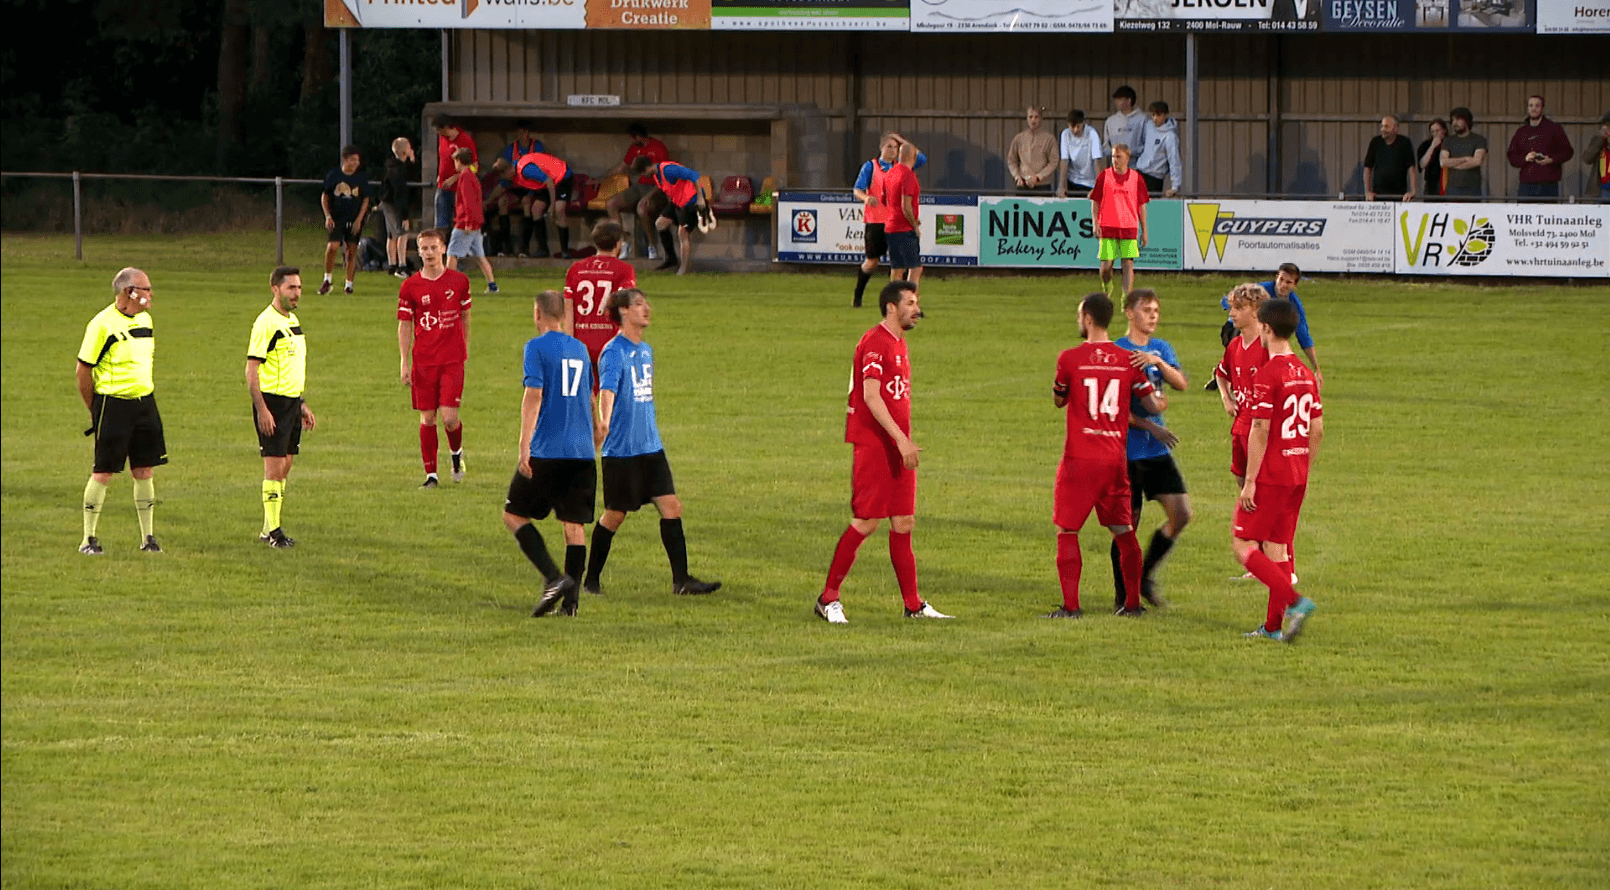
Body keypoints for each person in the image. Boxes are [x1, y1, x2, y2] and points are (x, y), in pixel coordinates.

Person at [815, 280, 949, 624]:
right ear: (891, 307)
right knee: (866, 521)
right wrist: (901, 440)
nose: (917, 310)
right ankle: (828, 599)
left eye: (916, 303)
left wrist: (903, 440)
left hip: (897, 444)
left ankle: (913, 605)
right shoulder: (875, 341)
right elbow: (871, 395)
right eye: (910, 303)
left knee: (903, 521)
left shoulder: (899, 342)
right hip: (875, 444)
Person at [582, 288, 720, 597]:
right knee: (615, 516)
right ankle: (591, 580)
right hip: (623, 450)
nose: (646, 308)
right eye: (638, 304)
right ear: (623, 312)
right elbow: (607, 391)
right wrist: (604, 422)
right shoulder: (613, 352)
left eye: (646, 303)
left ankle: (681, 580)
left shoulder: (646, 351)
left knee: (672, 507)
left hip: (651, 447)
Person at [1046, 292, 1163, 619]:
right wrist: (1151, 372)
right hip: (1115, 459)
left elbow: (1059, 400)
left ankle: (1071, 607)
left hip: (1080, 459)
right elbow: (1152, 405)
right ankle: (1133, 604)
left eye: (1078, 315)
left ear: (1087, 319)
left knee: (1067, 531)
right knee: (1124, 530)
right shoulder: (1128, 360)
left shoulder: (1069, 358)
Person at [1234, 298, 1323, 643]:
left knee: (1243, 545)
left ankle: (1296, 603)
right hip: (1296, 473)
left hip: (1271, 475)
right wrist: (1303, 466)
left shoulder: (1269, 374)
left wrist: (1250, 481)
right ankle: (1272, 628)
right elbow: (1317, 429)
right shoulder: (1305, 373)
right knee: (1278, 549)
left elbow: (1260, 428)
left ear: (1267, 329)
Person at [507, 289, 596, 618]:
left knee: (514, 515)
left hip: (549, 449)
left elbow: (534, 395)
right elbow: (588, 395)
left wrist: (524, 446)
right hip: (582, 451)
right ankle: (571, 605)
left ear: (537, 313)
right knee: (574, 526)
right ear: (563, 314)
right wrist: (596, 430)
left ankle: (553, 578)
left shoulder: (536, 347)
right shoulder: (581, 349)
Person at [1110, 289, 1191, 610]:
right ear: (1130, 313)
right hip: (1126, 453)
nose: (1153, 315)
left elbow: (1181, 383)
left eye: (1156, 310)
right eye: (1146, 310)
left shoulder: (1161, 348)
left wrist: (1158, 362)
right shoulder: (1118, 351)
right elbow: (1112, 408)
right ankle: (1123, 598)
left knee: (1181, 515)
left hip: (1156, 452)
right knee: (1126, 527)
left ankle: (1143, 577)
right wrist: (1150, 425)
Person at [76, 267, 166, 555]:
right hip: (113, 405)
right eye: (146, 289)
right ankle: (88, 538)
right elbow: (83, 370)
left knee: (145, 470)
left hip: (145, 403)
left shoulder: (146, 320)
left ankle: (148, 538)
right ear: (130, 292)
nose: (151, 294)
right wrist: (95, 408)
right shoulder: (101, 325)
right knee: (104, 471)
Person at [247, 266, 317, 549]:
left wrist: (301, 404)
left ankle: (268, 527)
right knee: (274, 468)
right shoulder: (266, 324)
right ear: (275, 289)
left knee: (286, 465)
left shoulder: (292, 321)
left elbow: (291, 368)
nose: (296, 293)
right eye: (291, 288)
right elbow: (252, 370)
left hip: (291, 403)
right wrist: (262, 409)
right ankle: (275, 533)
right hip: (273, 403)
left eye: (299, 288)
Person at [397, 229, 472, 489]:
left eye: (433, 247)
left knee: (449, 418)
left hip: (452, 360)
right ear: (418, 251)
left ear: (443, 249)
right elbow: (405, 324)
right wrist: (404, 361)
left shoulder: (459, 281)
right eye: (424, 248)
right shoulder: (410, 286)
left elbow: (465, 315)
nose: (429, 253)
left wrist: (464, 346)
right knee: (428, 418)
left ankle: (456, 455)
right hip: (424, 361)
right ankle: (431, 475)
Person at [852, 132, 926, 307]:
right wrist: (866, 198)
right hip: (876, 220)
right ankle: (859, 294)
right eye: (889, 146)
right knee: (873, 261)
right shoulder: (871, 167)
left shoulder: (898, 168)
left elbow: (920, 157)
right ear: (881, 148)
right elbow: (857, 189)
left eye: (896, 148)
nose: (893, 150)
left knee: (900, 265)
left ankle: (900, 300)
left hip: (894, 222)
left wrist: (901, 140)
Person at [564, 220, 638, 385]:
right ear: (618, 244)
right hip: (610, 343)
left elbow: (568, 311)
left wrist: (569, 345)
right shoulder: (625, 270)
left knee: (585, 395)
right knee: (612, 395)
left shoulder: (576, 269)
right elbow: (625, 308)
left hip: (581, 345)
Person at [1213, 283, 1270, 492]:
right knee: (1240, 477)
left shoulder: (1268, 348)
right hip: (1240, 425)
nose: (1232, 313)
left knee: (1261, 483)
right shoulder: (1235, 345)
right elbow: (1221, 373)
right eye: (1231, 307)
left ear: (1256, 311)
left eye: (1238, 308)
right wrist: (1227, 399)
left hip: (1262, 428)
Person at [629, 156, 712, 275]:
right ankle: (671, 259)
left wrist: (700, 198)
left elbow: (694, 175)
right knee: (660, 224)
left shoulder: (668, 170)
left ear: (647, 169)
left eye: (642, 173)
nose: (643, 176)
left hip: (691, 201)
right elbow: (669, 188)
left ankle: (683, 269)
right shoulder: (656, 175)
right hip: (677, 202)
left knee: (682, 233)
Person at [1088, 142, 1149, 298]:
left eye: (1119, 157)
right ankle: (1107, 285)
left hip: (1129, 226)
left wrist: (1144, 231)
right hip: (1107, 226)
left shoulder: (1136, 178)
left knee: (1128, 264)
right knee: (1106, 266)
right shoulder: (1104, 176)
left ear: (1127, 158)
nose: (1115, 160)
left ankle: (1126, 298)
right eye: (1113, 156)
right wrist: (1095, 223)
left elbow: (1141, 206)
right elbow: (1095, 201)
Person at [490, 149, 574, 259]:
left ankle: (565, 251)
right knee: (536, 209)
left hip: (561, 176)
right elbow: (501, 186)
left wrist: (552, 205)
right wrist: (488, 202)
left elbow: (549, 181)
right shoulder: (511, 173)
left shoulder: (526, 170)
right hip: (548, 184)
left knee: (559, 210)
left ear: (507, 171)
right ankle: (543, 250)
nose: (505, 179)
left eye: (504, 177)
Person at [604, 122, 671, 259]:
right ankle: (624, 242)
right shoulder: (634, 148)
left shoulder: (658, 147)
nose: (632, 141)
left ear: (639, 136)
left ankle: (652, 247)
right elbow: (624, 166)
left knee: (642, 208)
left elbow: (664, 175)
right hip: (638, 186)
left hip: (656, 188)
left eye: (633, 138)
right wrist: (602, 178)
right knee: (611, 204)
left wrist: (648, 196)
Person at [445, 148, 498, 294]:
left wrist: (468, 222)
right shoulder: (472, 175)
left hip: (464, 223)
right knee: (480, 257)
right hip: (475, 224)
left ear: (459, 161)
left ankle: (448, 286)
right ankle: (492, 285)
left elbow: (468, 201)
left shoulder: (465, 177)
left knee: (452, 254)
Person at [319, 145, 369, 296]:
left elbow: (365, 199)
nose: (355, 163)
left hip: (353, 218)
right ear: (345, 160)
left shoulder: (361, 177)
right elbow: (325, 196)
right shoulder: (334, 175)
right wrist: (328, 216)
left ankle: (349, 285)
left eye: (357, 160)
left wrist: (359, 219)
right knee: (332, 246)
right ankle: (327, 279)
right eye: (352, 160)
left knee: (351, 250)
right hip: (336, 218)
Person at [488, 121, 543, 257]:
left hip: (532, 187)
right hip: (515, 186)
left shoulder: (537, 147)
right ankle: (506, 247)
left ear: (528, 133)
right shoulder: (510, 149)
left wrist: (531, 192)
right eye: (519, 132)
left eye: (524, 132)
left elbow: (541, 171)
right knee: (502, 202)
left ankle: (524, 248)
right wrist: (488, 201)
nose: (522, 135)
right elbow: (504, 176)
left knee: (526, 203)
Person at [1507, 94, 1574, 201]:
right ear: (1527, 108)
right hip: (1527, 185)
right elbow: (1511, 156)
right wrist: (1525, 158)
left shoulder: (1554, 128)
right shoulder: (1521, 132)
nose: (1534, 108)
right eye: (1531, 106)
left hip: (1549, 185)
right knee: (1525, 212)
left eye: (1537, 106)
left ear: (1542, 108)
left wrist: (1551, 160)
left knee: (1548, 212)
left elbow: (1568, 152)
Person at [876, 142, 924, 289]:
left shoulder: (890, 173)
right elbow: (906, 206)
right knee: (915, 268)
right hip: (905, 228)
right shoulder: (908, 175)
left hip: (891, 227)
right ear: (913, 157)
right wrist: (914, 225)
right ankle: (910, 298)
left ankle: (894, 298)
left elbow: (884, 200)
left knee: (897, 268)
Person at [379, 137, 417, 278]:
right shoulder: (398, 170)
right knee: (402, 233)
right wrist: (404, 216)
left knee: (392, 234)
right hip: (394, 204)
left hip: (388, 201)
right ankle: (401, 266)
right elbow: (400, 194)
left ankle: (392, 264)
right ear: (405, 151)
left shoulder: (391, 166)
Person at [432, 114, 476, 229]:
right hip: (443, 187)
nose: (438, 133)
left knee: (458, 224)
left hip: (459, 188)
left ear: (447, 127)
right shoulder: (442, 139)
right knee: (440, 225)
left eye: (439, 130)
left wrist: (455, 178)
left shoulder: (465, 139)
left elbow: (474, 167)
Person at [1134, 101, 1184, 198]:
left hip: (1154, 178)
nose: (1155, 118)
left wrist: (1175, 187)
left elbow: (1174, 161)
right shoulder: (1149, 126)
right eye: (1153, 115)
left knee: (1149, 206)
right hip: (1140, 173)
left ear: (1166, 114)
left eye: (1159, 115)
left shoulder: (1170, 136)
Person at [1363, 115, 1418, 202]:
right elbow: (1367, 168)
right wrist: (1368, 191)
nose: (1382, 129)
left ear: (1396, 129)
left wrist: (1412, 191)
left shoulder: (1404, 142)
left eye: (1386, 127)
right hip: (1377, 195)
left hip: (1400, 195)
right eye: (1382, 126)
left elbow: (1411, 168)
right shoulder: (1375, 142)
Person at [1007, 106, 1057, 194]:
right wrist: (1017, 176)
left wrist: (1038, 177)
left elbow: (1054, 161)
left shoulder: (1049, 139)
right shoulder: (1019, 138)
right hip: (1023, 185)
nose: (1033, 120)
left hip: (1042, 185)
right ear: (1027, 118)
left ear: (1041, 118)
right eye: (1030, 117)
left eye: (1036, 117)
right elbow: (1011, 160)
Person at [1440, 107, 1487, 199]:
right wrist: (1465, 159)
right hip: (1452, 188)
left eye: (1458, 119)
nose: (1454, 123)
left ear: (1467, 120)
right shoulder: (1448, 140)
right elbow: (1443, 162)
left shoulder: (1479, 139)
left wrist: (1453, 164)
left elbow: (1477, 161)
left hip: (1473, 189)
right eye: (1452, 120)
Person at [1056, 110, 1104, 199]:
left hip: (1090, 182)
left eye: (1078, 126)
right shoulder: (1065, 134)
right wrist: (1062, 186)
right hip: (1072, 180)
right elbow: (1064, 161)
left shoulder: (1092, 133)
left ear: (1083, 123)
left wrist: (1099, 186)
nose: (1075, 130)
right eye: (1072, 127)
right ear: (1068, 125)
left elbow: (1097, 161)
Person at [1103, 85, 1147, 166]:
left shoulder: (1143, 120)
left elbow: (1148, 145)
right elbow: (1106, 146)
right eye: (1115, 99)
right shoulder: (1110, 121)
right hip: (1116, 168)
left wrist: (1128, 152)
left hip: (1136, 168)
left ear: (1129, 100)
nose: (1116, 102)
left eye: (1119, 99)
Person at [1418, 118, 1447, 200]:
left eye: (1437, 130)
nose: (1435, 134)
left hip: (1449, 181)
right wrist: (1432, 146)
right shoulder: (1425, 145)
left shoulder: (1450, 143)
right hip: (1431, 183)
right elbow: (1422, 164)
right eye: (1432, 131)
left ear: (1444, 130)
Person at [1586, 112, 1610, 201]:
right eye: (1606, 125)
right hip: (1603, 186)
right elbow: (1587, 159)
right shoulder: (1598, 140)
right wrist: (1600, 139)